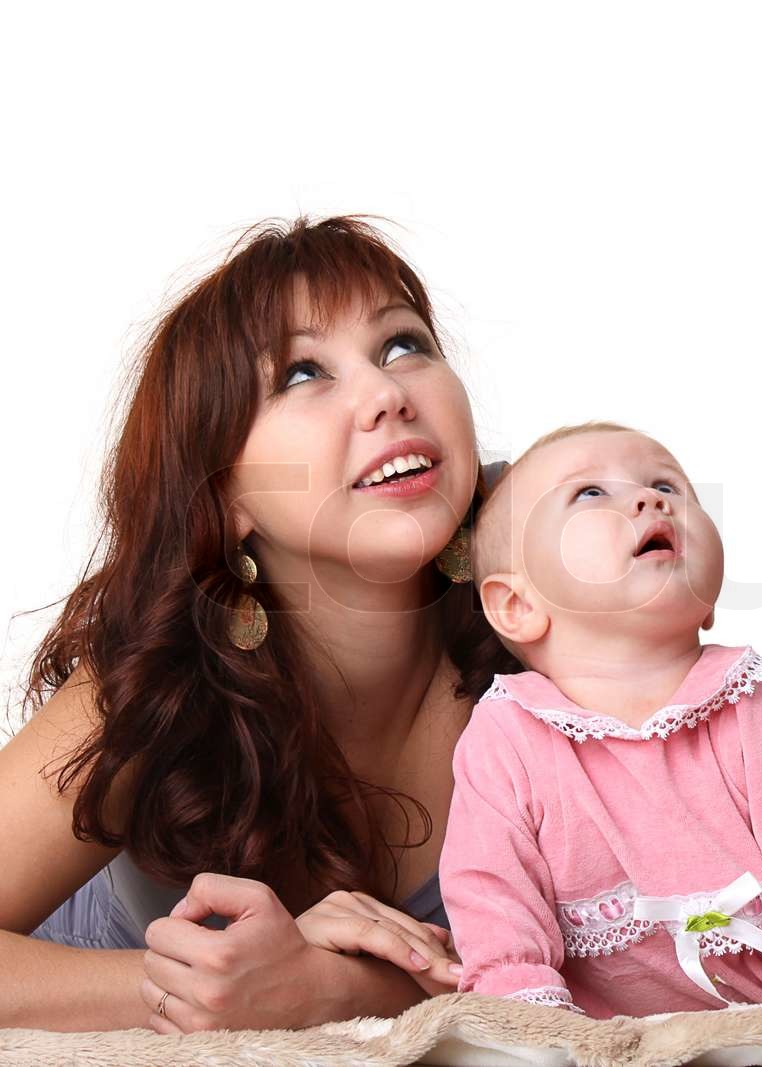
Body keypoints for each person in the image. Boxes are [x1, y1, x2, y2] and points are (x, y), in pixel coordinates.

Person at [0, 217, 522, 1032]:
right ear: (226, 495)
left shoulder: (542, 583)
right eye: (303, 373)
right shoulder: (157, 674)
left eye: (402, 345)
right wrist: (203, 986)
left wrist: (337, 989)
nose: (388, 393)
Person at [439, 421, 762, 1050]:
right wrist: (525, 1018)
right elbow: (491, 887)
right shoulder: (505, 737)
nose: (651, 500)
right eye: (589, 494)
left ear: (708, 600)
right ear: (517, 605)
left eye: (667, 485)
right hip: (599, 1031)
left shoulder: (755, 713)